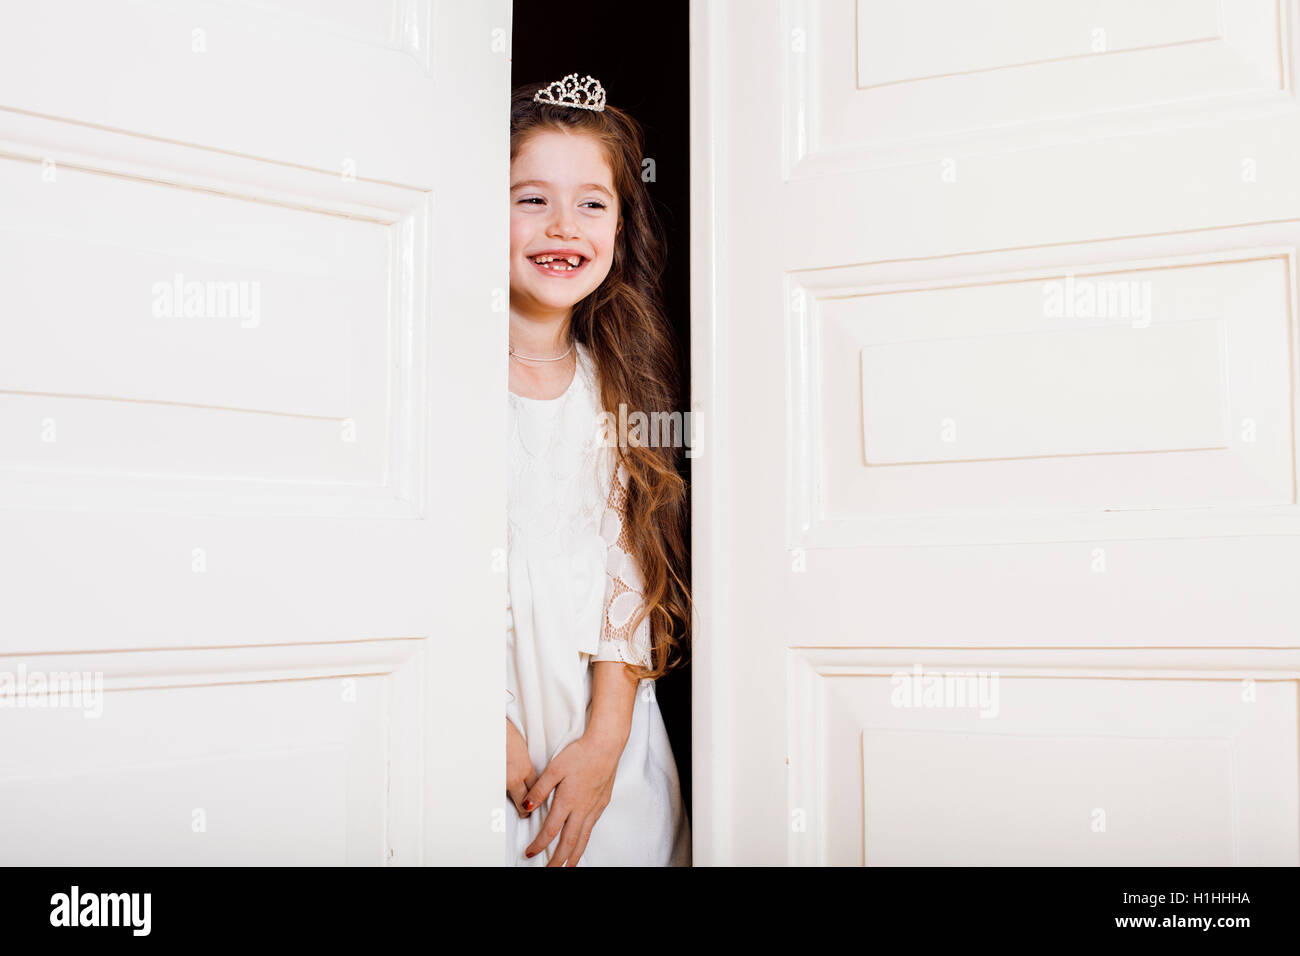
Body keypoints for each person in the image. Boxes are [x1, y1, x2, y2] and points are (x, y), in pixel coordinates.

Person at [505, 73, 691, 866]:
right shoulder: (438, 378)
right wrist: (482, 726)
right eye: (529, 198)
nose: (562, 226)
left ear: (620, 225)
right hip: (491, 704)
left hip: (600, 718)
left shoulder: (616, 381)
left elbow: (629, 571)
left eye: (591, 203)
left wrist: (607, 740)